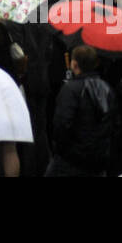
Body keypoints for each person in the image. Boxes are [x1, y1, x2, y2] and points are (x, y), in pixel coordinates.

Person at [45, 46, 116, 177]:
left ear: (74, 64)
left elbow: (62, 125)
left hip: (72, 160)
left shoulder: (70, 89)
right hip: (99, 157)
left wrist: (61, 149)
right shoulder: (106, 88)